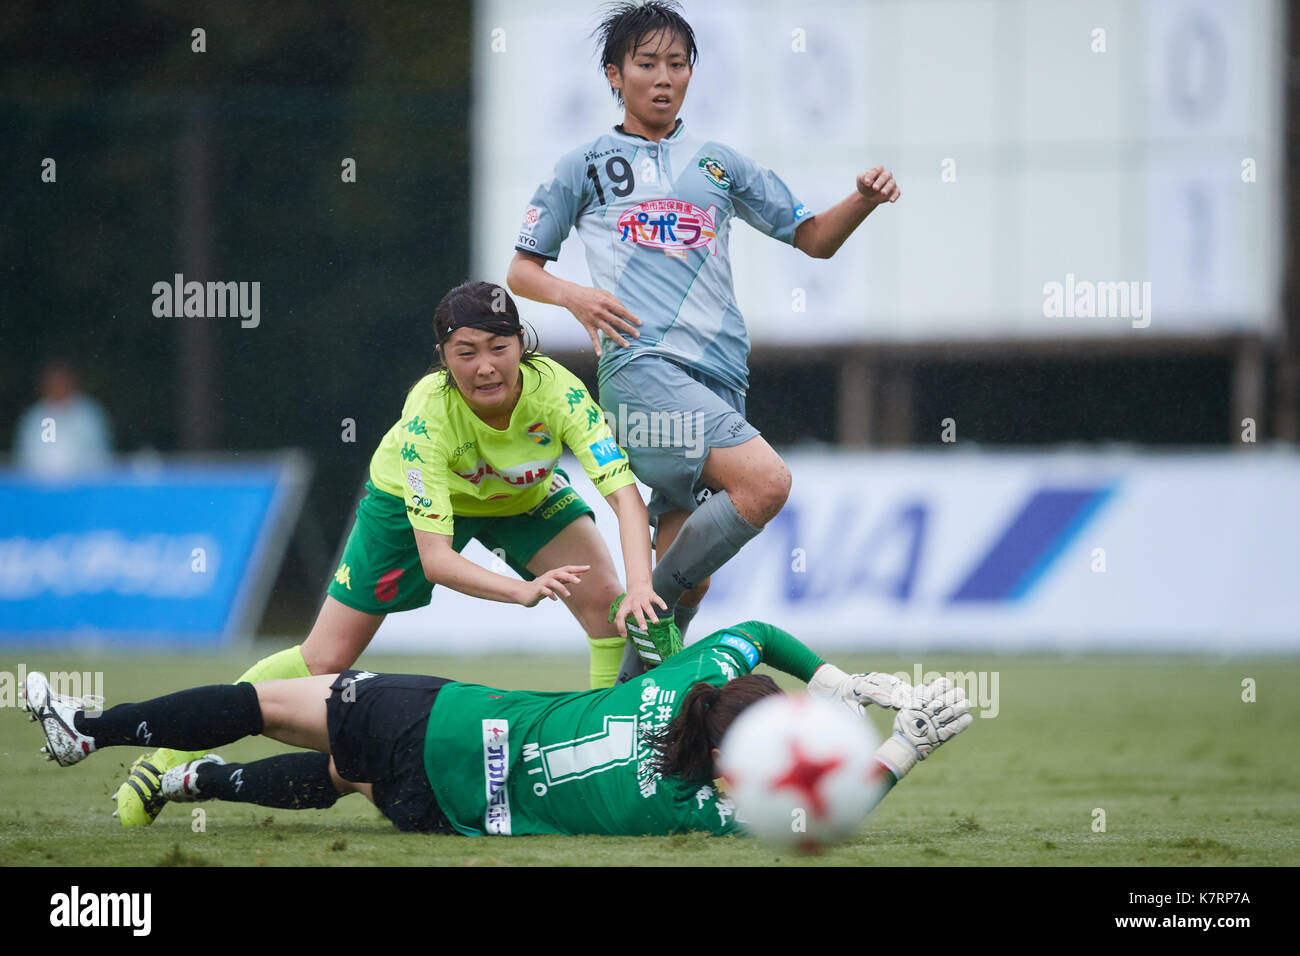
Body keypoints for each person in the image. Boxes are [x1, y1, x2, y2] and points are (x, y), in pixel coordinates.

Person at [113, 280, 675, 829]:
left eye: (500, 348)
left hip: (520, 498)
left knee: (608, 611)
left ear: (522, 347)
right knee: (323, 659)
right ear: (443, 359)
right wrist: (519, 591)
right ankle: (164, 756)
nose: (485, 367)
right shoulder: (427, 413)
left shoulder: (557, 391)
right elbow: (436, 559)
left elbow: (624, 498)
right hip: (405, 502)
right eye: (467, 352)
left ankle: (597, 760)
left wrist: (641, 586)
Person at [506, 1, 902, 683]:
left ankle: (628, 725)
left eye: (678, 63)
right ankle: (644, 598)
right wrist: (578, 297)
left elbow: (814, 240)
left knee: (692, 589)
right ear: (613, 74)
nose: (664, 77)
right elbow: (521, 270)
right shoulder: (586, 166)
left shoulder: (719, 165)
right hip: (640, 370)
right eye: (647, 63)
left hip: (720, 379)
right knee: (766, 482)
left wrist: (862, 199)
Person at [24, 621, 973, 837]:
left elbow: (758, 636)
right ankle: (194, 785)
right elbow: (816, 824)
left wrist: (842, 681)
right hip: (441, 811)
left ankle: (89, 728)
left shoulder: (690, 678)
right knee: (350, 779)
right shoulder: (685, 807)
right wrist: (904, 748)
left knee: (270, 703)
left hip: (441, 718)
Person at [13, 359, 113, 478]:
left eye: (61, 381)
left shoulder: (88, 415)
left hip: (82, 486)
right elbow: (24, 458)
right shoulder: (33, 417)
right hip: (41, 487)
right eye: (52, 381)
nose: (57, 386)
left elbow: (100, 456)